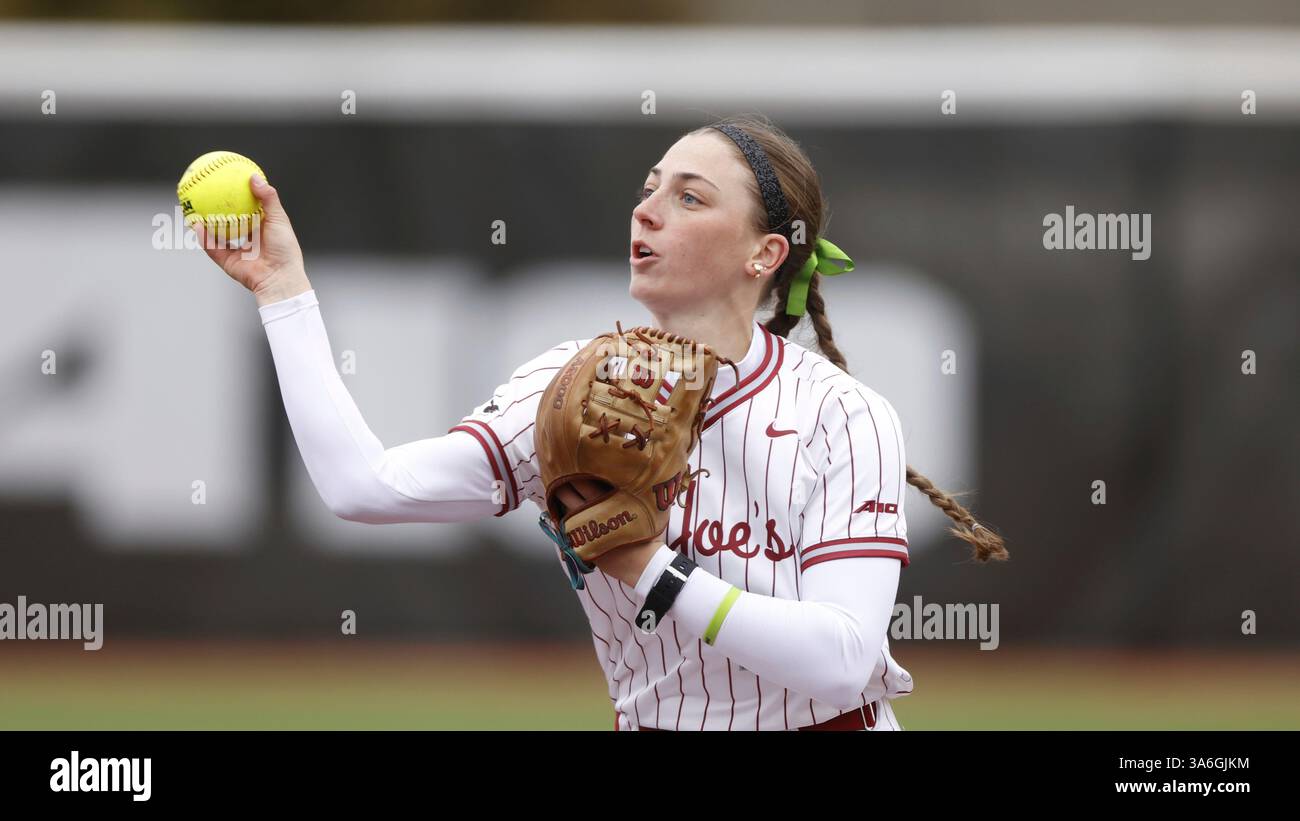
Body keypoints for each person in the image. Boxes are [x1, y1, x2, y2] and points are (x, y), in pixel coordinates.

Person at [193, 113, 1007, 731]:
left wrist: (655, 568)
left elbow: (841, 661)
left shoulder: (843, 413)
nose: (648, 209)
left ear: (765, 254)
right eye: (650, 186)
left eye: (689, 197)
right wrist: (283, 293)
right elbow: (361, 487)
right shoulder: (567, 388)